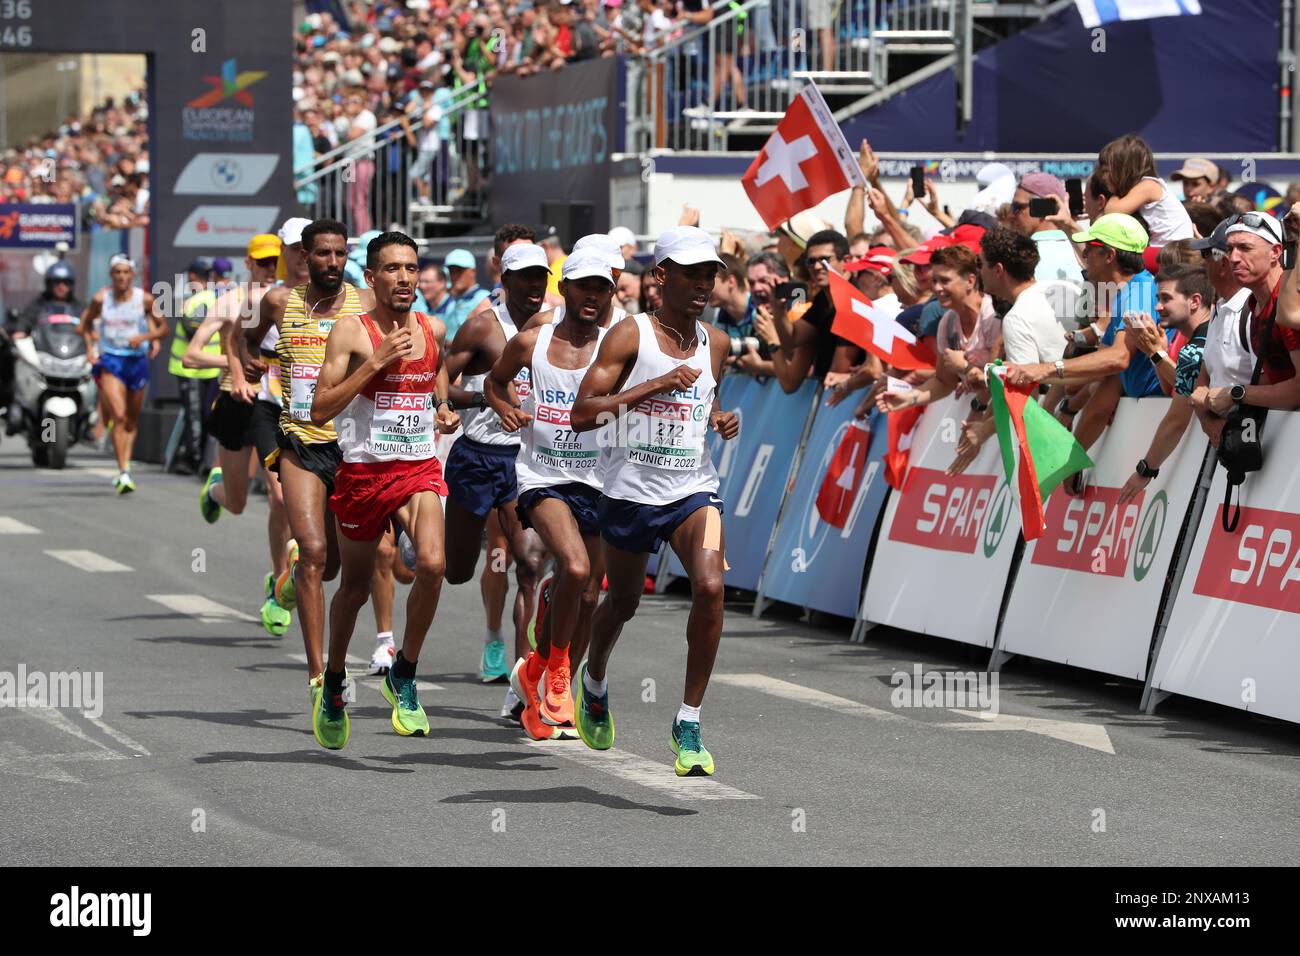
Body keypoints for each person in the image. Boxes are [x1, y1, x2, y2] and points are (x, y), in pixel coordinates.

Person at [570, 225, 740, 777]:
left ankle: (688, 718)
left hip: (693, 488)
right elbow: (582, 413)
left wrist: (719, 417)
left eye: (710, 274)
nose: (704, 285)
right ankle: (594, 677)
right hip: (629, 493)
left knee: (711, 586)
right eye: (692, 274)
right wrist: (652, 387)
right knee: (621, 603)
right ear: (660, 277)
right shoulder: (629, 336)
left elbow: (708, 400)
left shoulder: (718, 342)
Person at [308, 231, 459, 748]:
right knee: (351, 589)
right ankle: (331, 681)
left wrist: (440, 405)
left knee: (433, 564)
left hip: (418, 467)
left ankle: (406, 672)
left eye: (412, 268)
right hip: (363, 474)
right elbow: (320, 409)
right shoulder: (351, 331)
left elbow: (435, 369)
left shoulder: (430, 326)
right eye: (392, 269)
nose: (404, 278)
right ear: (370, 278)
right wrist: (374, 364)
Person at [235, 219, 371, 719]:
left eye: (339, 254)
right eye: (322, 255)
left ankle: (292, 577)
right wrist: (248, 362)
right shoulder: (275, 301)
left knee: (334, 566)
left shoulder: (366, 303)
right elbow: (242, 335)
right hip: (299, 439)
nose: (332, 263)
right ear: (304, 258)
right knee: (314, 551)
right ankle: (320, 681)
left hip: (354, 447)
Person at [485, 249, 615, 740]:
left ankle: (536, 671)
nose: (591, 296)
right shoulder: (532, 342)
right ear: (566, 288)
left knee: (587, 592)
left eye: (601, 288)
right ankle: (558, 669)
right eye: (583, 286)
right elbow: (494, 385)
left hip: (599, 481)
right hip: (542, 477)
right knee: (576, 567)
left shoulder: (616, 347)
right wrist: (505, 409)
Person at [441, 242, 551, 699]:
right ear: (504, 282)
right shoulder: (481, 327)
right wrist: (483, 399)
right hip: (476, 455)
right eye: (523, 278)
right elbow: (439, 382)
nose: (533, 287)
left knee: (527, 565)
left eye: (540, 279)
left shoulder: (557, 330)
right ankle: (417, 544)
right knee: (457, 570)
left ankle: (522, 684)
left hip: (523, 463)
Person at [189, 234, 294, 637]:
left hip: (275, 406)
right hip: (236, 402)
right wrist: (241, 365)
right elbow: (190, 355)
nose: (270, 269)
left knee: (280, 496)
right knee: (234, 503)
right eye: (263, 263)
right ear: (248, 263)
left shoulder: (290, 301)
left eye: (275, 262)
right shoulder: (230, 302)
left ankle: (276, 582)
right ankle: (215, 489)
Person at [1005, 213, 1170, 459]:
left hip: (1158, 419)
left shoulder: (1140, 292)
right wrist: (1070, 433)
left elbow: (1117, 359)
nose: (1084, 256)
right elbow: (1103, 376)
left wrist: (1043, 370)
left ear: (1110, 255)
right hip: (1146, 420)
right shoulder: (1127, 293)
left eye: (1089, 249)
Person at [1118, 265, 1215, 505]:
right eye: (1157, 298)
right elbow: (1173, 388)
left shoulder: (1199, 345)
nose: (1158, 306)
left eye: (1166, 299)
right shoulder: (1195, 340)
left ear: (1194, 301)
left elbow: (1177, 418)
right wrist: (1157, 352)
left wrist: (1145, 470)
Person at [1193, 212, 1300, 421]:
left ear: (1276, 252)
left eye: (1245, 248)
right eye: (1230, 248)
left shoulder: (1287, 302)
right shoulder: (1254, 304)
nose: (1232, 258)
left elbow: (1298, 389)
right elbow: (1273, 380)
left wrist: (1236, 394)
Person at [79, 254, 166, 494]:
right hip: (111, 360)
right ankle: (123, 471)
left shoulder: (145, 299)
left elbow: (163, 328)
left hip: (136, 361)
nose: (121, 277)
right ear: (111, 275)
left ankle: (126, 463)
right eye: (117, 272)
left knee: (130, 419)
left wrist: (145, 338)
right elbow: (84, 324)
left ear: (133, 275)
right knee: (118, 415)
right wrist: (89, 348)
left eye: (126, 272)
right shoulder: (100, 299)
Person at [6, 261, 84, 436]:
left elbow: (90, 328)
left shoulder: (79, 308)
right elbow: (24, 322)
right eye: (57, 282)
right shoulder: (38, 305)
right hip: (44, 358)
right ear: (49, 284)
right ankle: (16, 410)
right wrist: (19, 331)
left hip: (70, 358)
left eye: (65, 283)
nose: (61, 287)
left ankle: (89, 419)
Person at [169, 258, 221, 475]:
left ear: (192, 276)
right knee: (202, 415)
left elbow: (193, 330)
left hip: (193, 368)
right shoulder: (214, 298)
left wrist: (184, 315)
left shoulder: (199, 301)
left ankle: (195, 460)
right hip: (209, 367)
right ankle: (199, 458)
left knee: (196, 416)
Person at [1097, 134, 1193, 243]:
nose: (1103, 177)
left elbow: (1112, 213)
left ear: (1124, 170)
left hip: (1174, 251)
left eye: (1106, 171)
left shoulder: (1148, 186)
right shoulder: (1145, 188)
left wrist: (1115, 195)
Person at [441, 248, 489, 338]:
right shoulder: (450, 301)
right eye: (451, 271)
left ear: (472, 272)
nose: (454, 276)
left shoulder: (485, 298)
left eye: (459, 271)